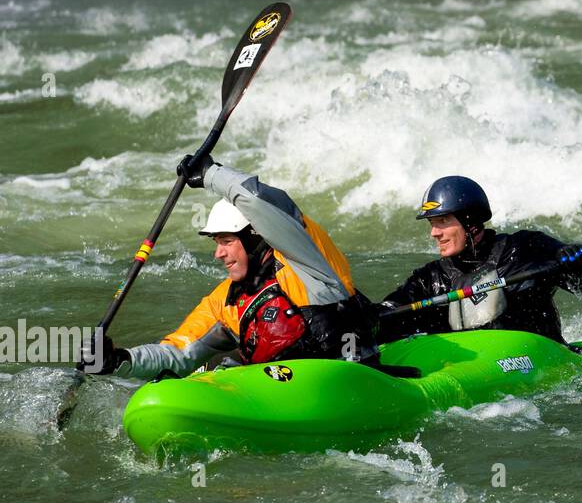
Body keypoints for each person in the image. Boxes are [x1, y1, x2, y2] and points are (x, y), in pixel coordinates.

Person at [79, 155, 376, 379]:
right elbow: (178, 353)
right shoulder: (225, 302)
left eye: (226, 241)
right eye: (216, 243)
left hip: (349, 377)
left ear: (253, 238)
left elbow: (261, 200)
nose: (218, 254)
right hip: (276, 388)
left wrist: (209, 173)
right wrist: (120, 360)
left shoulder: (307, 262)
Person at [378, 176, 582, 344]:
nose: (434, 233)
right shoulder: (431, 278)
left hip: (540, 359)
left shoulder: (524, 249)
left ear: (470, 222)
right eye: (432, 224)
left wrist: (581, 268)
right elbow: (390, 313)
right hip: (474, 370)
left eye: (442, 222)